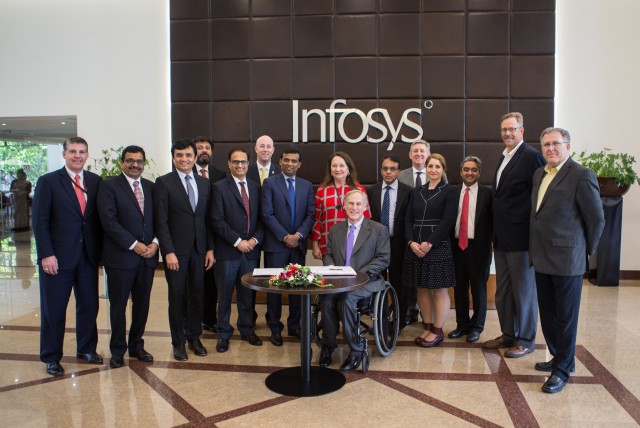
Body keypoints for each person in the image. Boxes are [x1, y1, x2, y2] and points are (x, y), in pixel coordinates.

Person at [530, 127, 604, 393]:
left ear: (568, 146)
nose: (550, 148)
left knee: (566, 318)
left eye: (556, 143)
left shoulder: (581, 175)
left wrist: (583, 252)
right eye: (546, 144)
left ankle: (562, 371)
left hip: (567, 260)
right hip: (541, 257)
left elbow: (596, 219)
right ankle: (559, 357)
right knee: (549, 315)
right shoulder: (539, 174)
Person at [32, 137, 103, 376]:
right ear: (64, 154)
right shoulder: (48, 182)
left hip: (87, 257)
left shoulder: (95, 181)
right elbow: (39, 222)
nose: (77, 156)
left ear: (87, 155)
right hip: (57, 258)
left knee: (89, 306)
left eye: (82, 152)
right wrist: (46, 254)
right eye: (72, 151)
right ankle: (51, 356)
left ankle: (86, 349)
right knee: (53, 310)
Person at [483, 112, 545, 359]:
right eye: (503, 130)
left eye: (512, 129)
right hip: (502, 238)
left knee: (523, 292)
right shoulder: (504, 156)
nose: (507, 133)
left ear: (522, 130)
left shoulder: (531, 156)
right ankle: (508, 334)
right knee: (504, 292)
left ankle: (526, 340)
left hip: (521, 238)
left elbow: (540, 196)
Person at [97, 145, 158, 368]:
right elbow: (109, 222)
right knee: (118, 306)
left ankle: (136, 345)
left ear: (144, 163)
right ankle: (117, 350)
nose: (135, 165)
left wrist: (155, 243)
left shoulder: (151, 187)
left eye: (139, 161)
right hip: (121, 258)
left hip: (148, 257)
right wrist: (135, 245)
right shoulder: (109, 186)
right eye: (130, 160)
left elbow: (160, 220)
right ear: (122, 162)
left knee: (142, 305)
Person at [154, 139, 214, 361]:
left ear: (195, 157)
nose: (184, 159)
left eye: (188, 155)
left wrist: (210, 248)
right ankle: (178, 342)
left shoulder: (204, 183)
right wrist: (167, 251)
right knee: (177, 296)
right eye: (179, 155)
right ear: (173, 158)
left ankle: (194, 337)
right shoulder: (164, 182)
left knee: (197, 295)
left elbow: (207, 219)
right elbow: (161, 220)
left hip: (199, 250)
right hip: (176, 252)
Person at [318, 190, 390, 371]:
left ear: (365, 207)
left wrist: (359, 275)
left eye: (358, 204)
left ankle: (356, 350)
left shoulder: (378, 230)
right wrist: (332, 269)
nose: (354, 207)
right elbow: (328, 254)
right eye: (350, 203)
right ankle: (328, 345)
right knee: (326, 301)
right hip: (338, 281)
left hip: (366, 281)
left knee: (346, 300)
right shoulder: (335, 229)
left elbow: (382, 258)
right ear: (344, 206)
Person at [212, 148, 264, 353]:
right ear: (229, 164)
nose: (239, 165)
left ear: (248, 164)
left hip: (250, 251)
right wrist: (237, 241)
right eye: (235, 162)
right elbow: (217, 220)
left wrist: (254, 240)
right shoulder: (219, 187)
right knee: (225, 296)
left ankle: (246, 329)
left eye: (243, 162)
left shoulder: (256, 187)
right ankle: (224, 334)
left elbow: (262, 219)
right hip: (228, 252)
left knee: (247, 295)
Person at [260, 148, 314, 345]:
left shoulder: (306, 185)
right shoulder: (269, 183)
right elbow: (267, 214)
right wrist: (285, 236)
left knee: (297, 287)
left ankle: (294, 325)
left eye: (294, 161)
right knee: (275, 289)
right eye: (287, 160)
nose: (290, 163)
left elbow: (311, 214)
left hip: (297, 245)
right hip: (276, 245)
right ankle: (275, 328)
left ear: (299, 164)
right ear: (280, 161)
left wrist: (298, 236)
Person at [403, 153, 457, 348]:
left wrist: (430, 243)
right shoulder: (417, 191)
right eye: (430, 166)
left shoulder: (449, 191)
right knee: (421, 287)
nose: (433, 170)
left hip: (437, 245)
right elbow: (408, 219)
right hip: (416, 246)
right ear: (425, 168)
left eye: (437, 166)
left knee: (439, 289)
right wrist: (411, 242)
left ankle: (437, 330)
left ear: (443, 169)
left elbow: (448, 221)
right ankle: (427, 326)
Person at [449, 156, 492, 343]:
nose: (470, 173)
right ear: (461, 172)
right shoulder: (452, 192)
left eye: (474, 170)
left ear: (479, 173)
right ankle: (462, 325)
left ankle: (477, 327)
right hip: (457, 246)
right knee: (459, 289)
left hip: (479, 248)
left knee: (478, 290)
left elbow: (493, 222)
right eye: (466, 169)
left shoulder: (487, 194)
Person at [367, 156, 412, 329]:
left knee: (399, 285)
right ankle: (381, 321)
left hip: (399, 245)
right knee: (376, 283)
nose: (388, 172)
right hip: (376, 246)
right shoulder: (372, 191)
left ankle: (399, 321)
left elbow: (410, 220)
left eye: (392, 169)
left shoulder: (408, 192)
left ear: (398, 171)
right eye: (385, 168)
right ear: (381, 170)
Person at [192, 136, 226, 334]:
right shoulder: (185, 173)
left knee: (212, 282)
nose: (204, 150)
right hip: (192, 235)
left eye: (207, 147)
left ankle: (209, 319)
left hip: (215, 235)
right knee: (193, 283)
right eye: (199, 147)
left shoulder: (220, 175)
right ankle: (192, 320)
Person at [311, 151, 370, 259]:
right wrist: (315, 245)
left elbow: (366, 219)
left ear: (348, 169)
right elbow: (316, 220)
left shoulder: (359, 189)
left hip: (355, 244)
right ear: (330, 169)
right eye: (334, 166)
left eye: (342, 165)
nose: (338, 169)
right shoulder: (322, 190)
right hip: (329, 244)